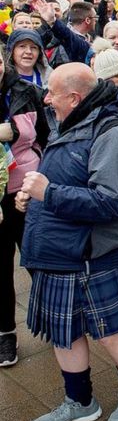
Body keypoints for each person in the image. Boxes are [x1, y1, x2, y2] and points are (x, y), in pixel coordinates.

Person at [17, 63, 118, 421]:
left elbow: (108, 202)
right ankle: (80, 402)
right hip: (57, 250)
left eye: (52, 93)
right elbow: (64, 178)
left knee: (111, 332)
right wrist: (35, 200)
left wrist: (50, 193)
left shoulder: (116, 132)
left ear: (75, 98)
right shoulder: (71, 119)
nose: (45, 98)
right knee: (66, 333)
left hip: (96, 253)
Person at [0, 43, 48, 367]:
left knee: (36, 256)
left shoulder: (25, 90)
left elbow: (43, 134)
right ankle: (6, 334)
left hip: (24, 190)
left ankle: (53, 314)